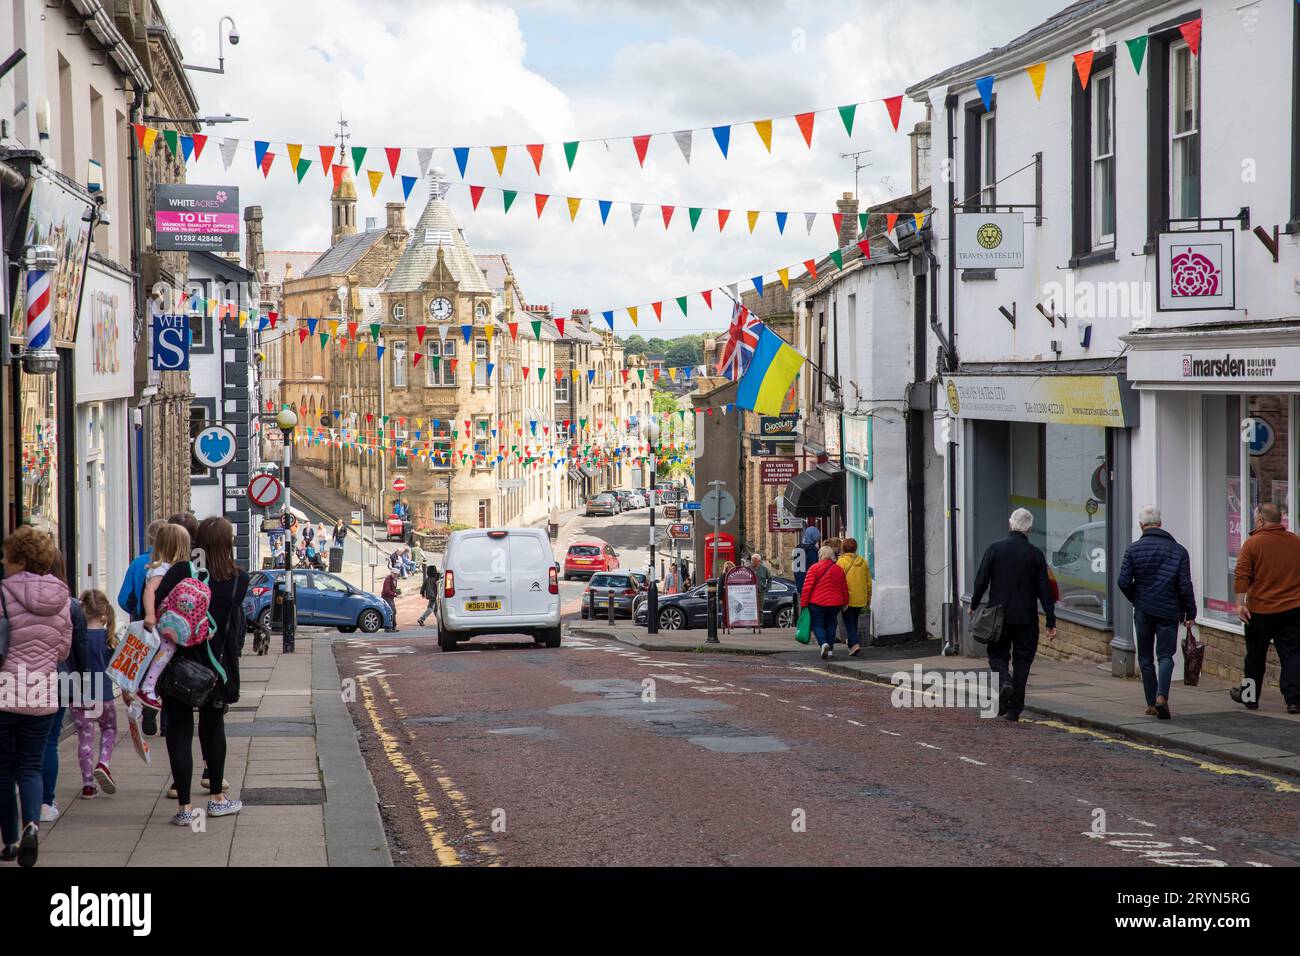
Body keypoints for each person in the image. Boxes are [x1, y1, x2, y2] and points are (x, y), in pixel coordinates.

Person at [160, 516, 246, 826]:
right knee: (213, 730)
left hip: (178, 667)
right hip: (215, 670)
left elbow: (160, 607)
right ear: (229, 543)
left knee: (179, 734)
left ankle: (184, 809)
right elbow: (231, 621)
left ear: (198, 542)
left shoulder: (181, 571)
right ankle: (217, 800)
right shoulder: (238, 579)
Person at [0, 527, 72, 867]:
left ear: (20, 560)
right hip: (42, 692)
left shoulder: (3, 594)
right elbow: (62, 651)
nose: (3, 561)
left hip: (4, 692)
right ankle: (31, 826)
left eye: (7, 556)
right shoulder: (62, 598)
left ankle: (10, 841)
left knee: (2, 769)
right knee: (30, 765)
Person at [970, 508, 1057, 722]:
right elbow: (1044, 590)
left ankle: (1004, 681)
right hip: (1027, 618)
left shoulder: (995, 548)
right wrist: (1050, 620)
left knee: (997, 655)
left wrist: (974, 604)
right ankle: (1014, 709)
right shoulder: (1036, 554)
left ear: (1011, 524)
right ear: (1029, 528)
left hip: (998, 617)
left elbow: (981, 580)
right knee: (1023, 662)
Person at [1117, 506, 1196, 720]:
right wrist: (1191, 612)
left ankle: (1151, 702)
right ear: (1160, 524)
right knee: (1165, 655)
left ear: (1141, 525)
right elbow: (1185, 585)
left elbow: (1123, 581)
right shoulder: (1179, 551)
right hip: (1169, 611)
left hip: (1143, 611)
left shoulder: (1133, 550)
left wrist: (1137, 598)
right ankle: (1162, 696)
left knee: (1145, 657)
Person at [1231, 502, 1300, 715]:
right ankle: (1294, 701)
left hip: (1260, 610)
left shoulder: (1253, 544)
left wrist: (1240, 603)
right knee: (1292, 655)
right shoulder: (1296, 542)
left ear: (1260, 519)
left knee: (1255, 655)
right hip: (1292, 609)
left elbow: (1242, 574)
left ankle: (1250, 698)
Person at [38, 551, 87, 823]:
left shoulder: (9, 598)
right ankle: (45, 802)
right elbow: (78, 651)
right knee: (48, 741)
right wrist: (84, 688)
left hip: (19, 680)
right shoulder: (71, 605)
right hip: (59, 678)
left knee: (17, 744)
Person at [134, 523, 191, 713]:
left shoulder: (163, 567)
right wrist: (150, 614)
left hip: (164, 619)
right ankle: (147, 688)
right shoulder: (161, 569)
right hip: (161, 621)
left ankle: (146, 687)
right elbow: (149, 591)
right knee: (167, 649)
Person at [73, 590, 118, 799]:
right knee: (109, 729)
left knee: (85, 739)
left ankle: (88, 783)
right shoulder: (110, 640)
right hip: (105, 695)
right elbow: (120, 671)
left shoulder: (76, 638)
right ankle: (104, 763)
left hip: (80, 696)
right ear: (104, 613)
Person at [800, 545, 849, 660]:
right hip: (835, 603)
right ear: (832, 555)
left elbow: (807, 587)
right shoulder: (838, 569)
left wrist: (803, 603)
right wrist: (845, 602)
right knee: (831, 625)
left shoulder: (814, 568)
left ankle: (823, 643)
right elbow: (844, 588)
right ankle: (830, 650)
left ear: (820, 555)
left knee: (817, 625)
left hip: (817, 602)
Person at [118, 519, 165, 620]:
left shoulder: (138, 562)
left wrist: (137, 611)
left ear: (149, 538)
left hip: (143, 621)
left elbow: (123, 599)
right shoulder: (174, 561)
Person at [837, 539, 872, 656]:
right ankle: (851, 646)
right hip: (860, 597)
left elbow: (837, 582)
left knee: (849, 622)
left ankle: (855, 643)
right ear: (855, 548)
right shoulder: (863, 562)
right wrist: (868, 599)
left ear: (843, 548)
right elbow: (869, 583)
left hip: (847, 598)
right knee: (854, 621)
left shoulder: (840, 563)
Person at [793, 526, 821, 599]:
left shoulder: (798, 549)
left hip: (799, 584)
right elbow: (816, 570)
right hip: (810, 586)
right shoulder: (812, 551)